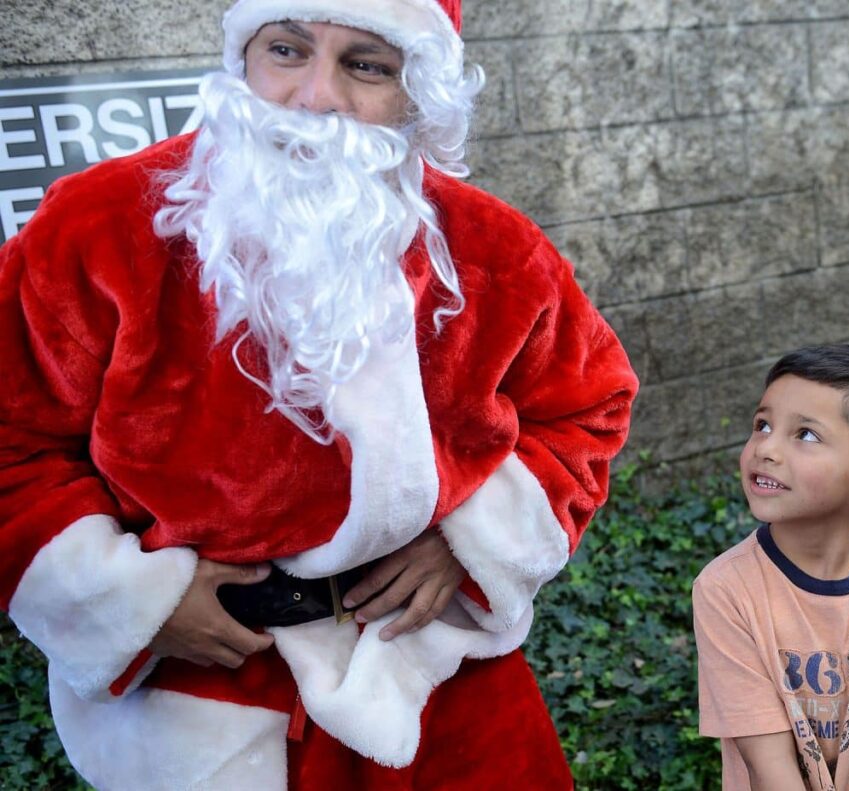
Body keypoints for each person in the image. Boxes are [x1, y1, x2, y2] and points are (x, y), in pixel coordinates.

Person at [0, 0, 638, 788]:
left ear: (418, 90)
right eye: (287, 50)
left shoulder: (496, 249)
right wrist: (135, 602)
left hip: (435, 675)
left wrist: (473, 541)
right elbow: (11, 443)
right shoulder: (97, 227)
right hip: (202, 703)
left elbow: (588, 405)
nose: (315, 97)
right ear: (244, 57)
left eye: (365, 65)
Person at [693, 344, 849, 791]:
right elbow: (768, 766)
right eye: (762, 425)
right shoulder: (725, 589)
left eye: (806, 435)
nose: (766, 448)